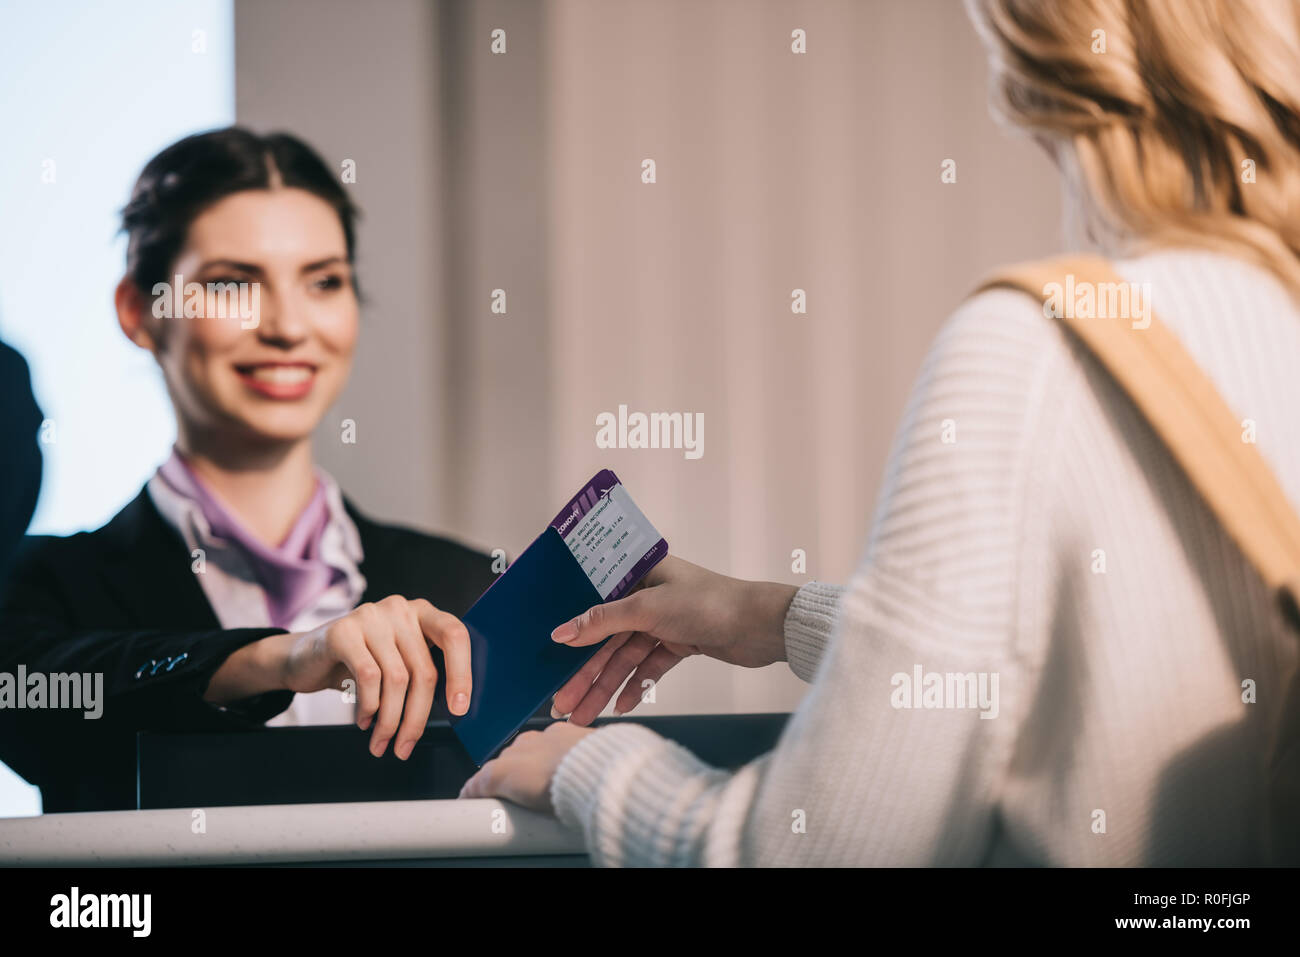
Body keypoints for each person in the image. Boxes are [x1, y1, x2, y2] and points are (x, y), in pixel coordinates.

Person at [462, 0, 1300, 865]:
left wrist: (590, 767)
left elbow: (815, 852)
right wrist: (775, 615)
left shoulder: (1041, 354)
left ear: (1034, 62)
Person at [0, 129, 495, 813]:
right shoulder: (41, 587)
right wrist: (284, 659)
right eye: (234, 283)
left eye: (324, 281)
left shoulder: (467, 589)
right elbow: (39, 702)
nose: (289, 326)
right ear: (139, 310)